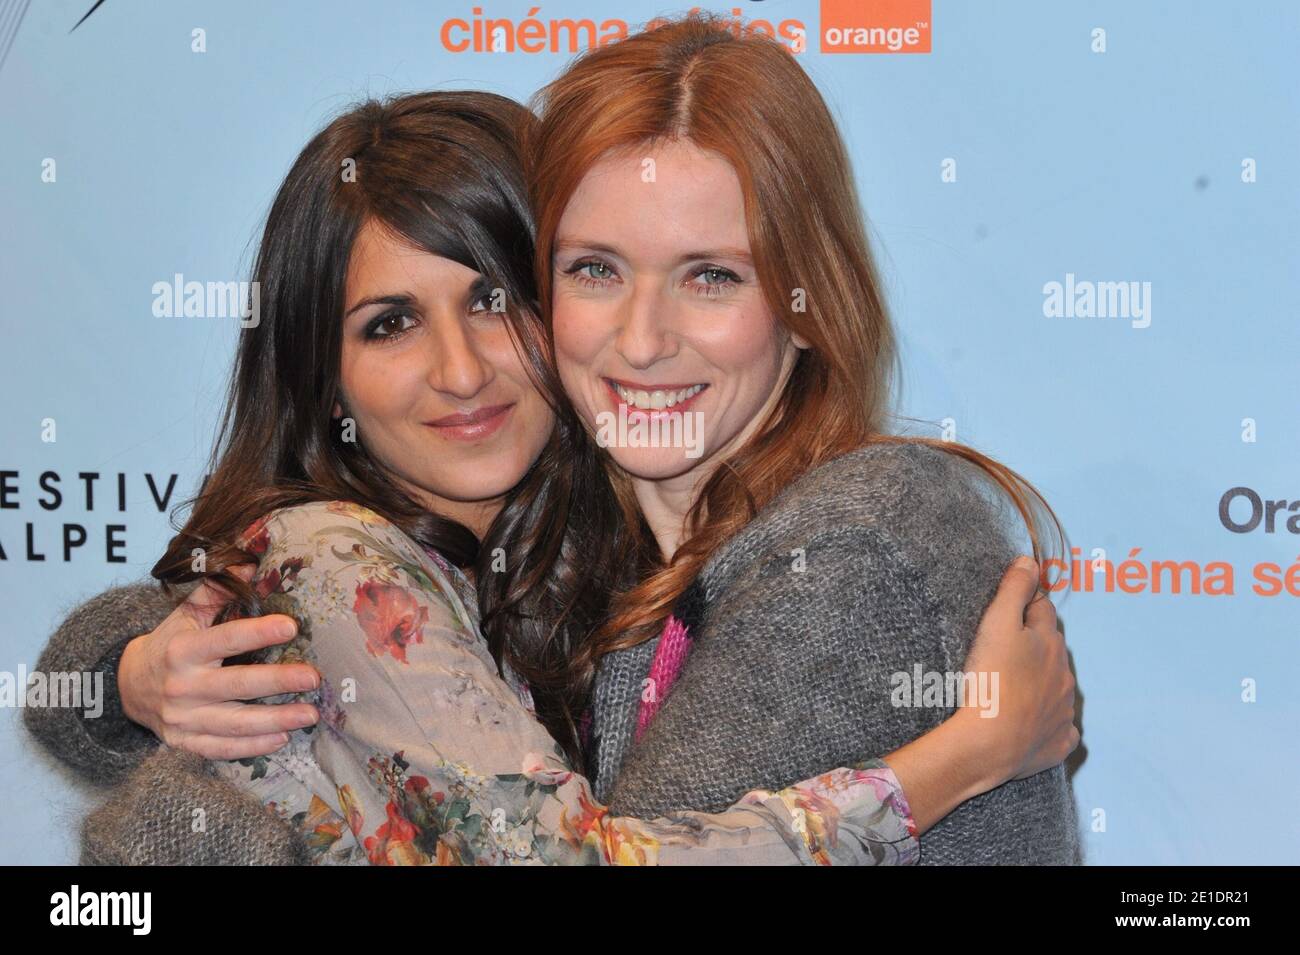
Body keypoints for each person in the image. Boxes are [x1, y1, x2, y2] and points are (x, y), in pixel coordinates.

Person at [26, 26, 1077, 867]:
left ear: (807, 300)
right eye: (387, 322)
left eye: (493, 298)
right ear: (318, 370)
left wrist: (119, 672)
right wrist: (960, 759)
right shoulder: (340, 554)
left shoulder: (696, 546)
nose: (460, 369)